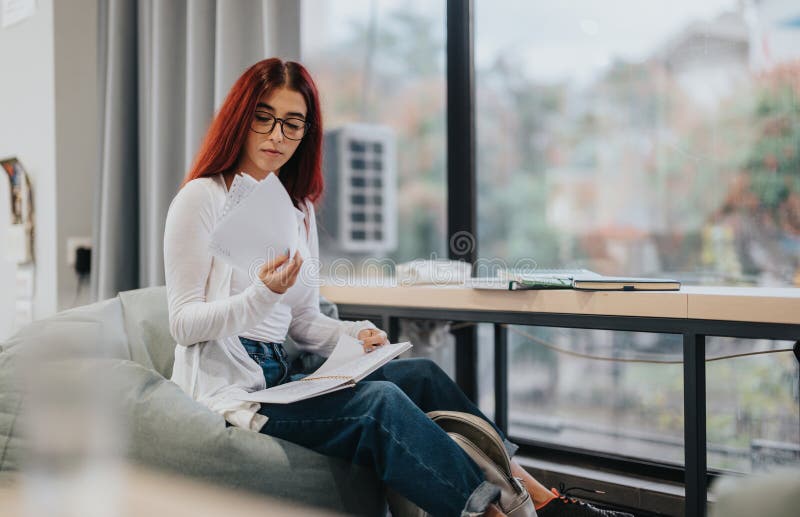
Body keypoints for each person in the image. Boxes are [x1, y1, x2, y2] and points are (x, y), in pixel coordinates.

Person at [164, 58, 634, 517]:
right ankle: (488, 514)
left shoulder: (297, 209)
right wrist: (259, 296)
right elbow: (183, 324)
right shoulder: (201, 198)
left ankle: (543, 500)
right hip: (229, 393)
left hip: (280, 377)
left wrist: (355, 335)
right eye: (263, 118)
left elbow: (305, 322)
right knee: (381, 403)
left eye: (293, 124)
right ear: (240, 118)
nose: (276, 136)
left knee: (423, 375)